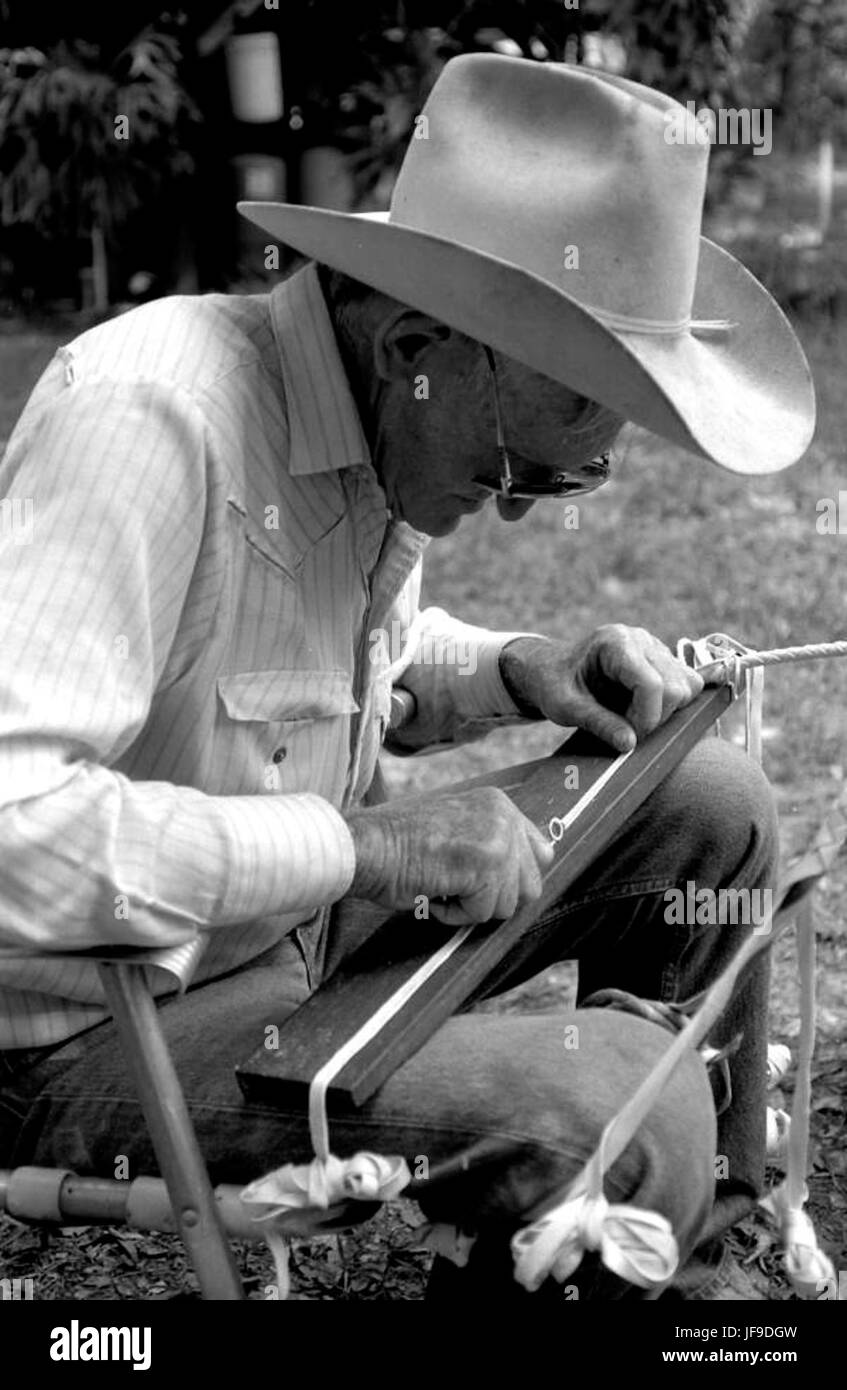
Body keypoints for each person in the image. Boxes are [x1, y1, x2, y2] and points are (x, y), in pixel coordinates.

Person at [0, 55, 814, 1299]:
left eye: (565, 480)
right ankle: (628, 1180)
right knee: (610, 1096)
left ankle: (663, 1248)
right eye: (516, 473)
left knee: (708, 804)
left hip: (287, 939)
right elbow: (13, 833)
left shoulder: (390, 413)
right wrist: (366, 849)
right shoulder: (148, 417)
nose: (523, 515)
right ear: (416, 342)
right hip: (105, 1027)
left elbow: (319, 677)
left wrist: (510, 668)